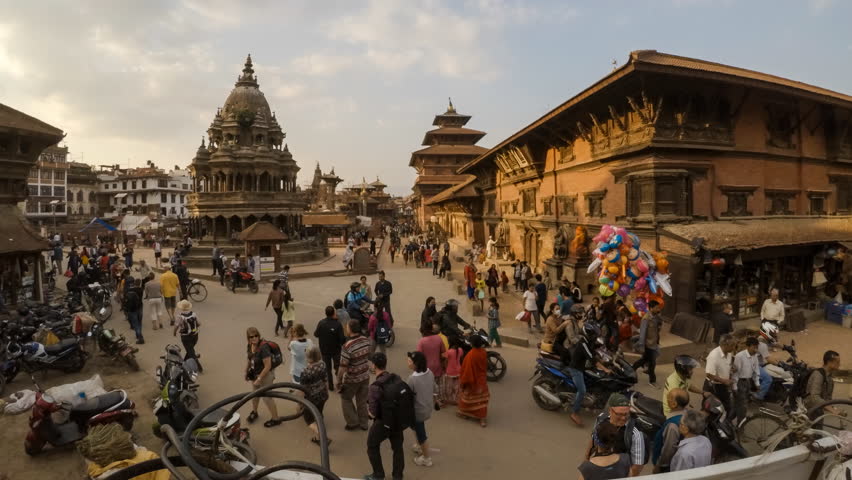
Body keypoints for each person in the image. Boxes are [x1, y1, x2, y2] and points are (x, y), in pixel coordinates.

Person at [365, 352, 406, 480]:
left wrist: (367, 413)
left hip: (383, 422)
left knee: (372, 445)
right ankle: (397, 476)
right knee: (398, 448)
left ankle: (378, 474)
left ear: (373, 365)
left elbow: (372, 413)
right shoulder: (396, 377)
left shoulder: (375, 387)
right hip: (397, 420)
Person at [586, 393, 647, 477]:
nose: (623, 418)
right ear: (610, 410)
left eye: (626, 414)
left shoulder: (635, 434)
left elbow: (637, 466)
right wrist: (586, 461)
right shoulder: (601, 419)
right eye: (619, 414)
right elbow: (593, 440)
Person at [566, 323, 609, 427]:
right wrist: (605, 369)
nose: (596, 337)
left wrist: (605, 358)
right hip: (576, 369)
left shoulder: (588, 342)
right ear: (588, 334)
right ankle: (574, 413)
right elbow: (592, 359)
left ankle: (589, 404)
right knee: (582, 390)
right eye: (594, 335)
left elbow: (594, 353)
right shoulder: (583, 344)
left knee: (593, 381)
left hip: (583, 367)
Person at [244, 327, 283, 428]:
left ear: (259, 335)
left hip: (265, 376)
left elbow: (268, 366)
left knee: (267, 398)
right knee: (254, 395)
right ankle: (255, 412)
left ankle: (276, 419)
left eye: (256, 335)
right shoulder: (250, 345)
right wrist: (246, 371)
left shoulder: (263, 348)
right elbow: (249, 358)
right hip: (255, 374)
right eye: (251, 337)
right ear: (248, 338)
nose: (254, 338)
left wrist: (259, 379)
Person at [337, 320, 372, 431]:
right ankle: (364, 423)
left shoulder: (347, 346)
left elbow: (342, 367)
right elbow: (368, 355)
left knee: (345, 399)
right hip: (365, 375)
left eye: (347, 327)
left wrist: (339, 380)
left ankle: (352, 422)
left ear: (350, 330)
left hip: (352, 379)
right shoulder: (366, 340)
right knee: (362, 401)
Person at [407, 351, 436, 467]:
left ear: (416, 364)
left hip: (417, 412)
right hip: (427, 407)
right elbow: (435, 388)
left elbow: (408, 398)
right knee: (415, 427)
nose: (407, 362)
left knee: (421, 434)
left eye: (410, 361)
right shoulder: (430, 373)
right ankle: (419, 446)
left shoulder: (412, 379)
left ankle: (426, 458)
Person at [653, 388, 690, 473]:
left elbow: (668, 450)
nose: (667, 399)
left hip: (667, 468)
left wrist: (659, 466)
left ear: (674, 404)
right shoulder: (686, 414)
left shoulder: (672, 425)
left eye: (669, 397)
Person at [299, 346, 331, 445]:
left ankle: (323, 437)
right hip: (322, 394)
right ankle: (319, 435)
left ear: (307, 356)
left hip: (311, 397)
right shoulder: (323, 364)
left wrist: (300, 401)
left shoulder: (305, 371)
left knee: (308, 420)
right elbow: (325, 379)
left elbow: (303, 388)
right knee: (319, 412)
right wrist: (327, 391)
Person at [457, 333, 489, 427]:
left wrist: (463, 382)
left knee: (467, 399)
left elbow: (466, 370)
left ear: (471, 344)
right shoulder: (483, 352)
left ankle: (465, 413)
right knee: (482, 401)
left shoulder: (470, 355)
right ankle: (482, 419)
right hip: (481, 380)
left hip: (472, 381)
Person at [314, 306, 346, 391]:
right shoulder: (338, 324)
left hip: (324, 350)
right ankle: (339, 384)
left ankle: (330, 387)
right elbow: (342, 339)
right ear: (333, 314)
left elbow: (316, 334)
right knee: (337, 368)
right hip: (336, 350)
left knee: (327, 369)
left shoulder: (321, 323)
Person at [632, 300, 663, 387]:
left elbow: (660, 323)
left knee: (644, 360)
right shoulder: (646, 319)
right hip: (648, 344)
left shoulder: (655, 317)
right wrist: (642, 346)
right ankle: (652, 381)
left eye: (658, 307)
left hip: (654, 343)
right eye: (656, 308)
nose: (658, 309)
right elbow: (642, 334)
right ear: (651, 308)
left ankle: (631, 369)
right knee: (652, 363)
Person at [703, 334, 736, 416]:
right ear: (725, 345)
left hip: (723, 387)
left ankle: (722, 426)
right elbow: (709, 374)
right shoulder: (714, 355)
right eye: (732, 345)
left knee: (727, 408)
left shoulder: (729, 354)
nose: (733, 348)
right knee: (711, 411)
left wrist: (731, 370)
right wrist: (724, 381)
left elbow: (726, 365)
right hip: (713, 387)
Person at [804, 350, 842, 417]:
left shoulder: (829, 378)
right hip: (808, 410)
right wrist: (832, 410)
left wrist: (836, 410)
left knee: (818, 427)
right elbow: (814, 397)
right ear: (829, 362)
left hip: (818, 410)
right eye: (837, 362)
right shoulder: (818, 374)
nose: (839, 364)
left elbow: (827, 399)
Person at [732, 336, 760, 423]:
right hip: (740, 383)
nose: (755, 349)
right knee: (743, 406)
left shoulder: (755, 356)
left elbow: (756, 370)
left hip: (748, 382)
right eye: (754, 347)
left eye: (756, 347)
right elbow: (735, 373)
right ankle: (740, 425)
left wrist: (757, 383)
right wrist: (735, 387)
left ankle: (730, 420)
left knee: (740, 404)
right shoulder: (739, 356)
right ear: (748, 346)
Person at [174, 299, 202, 371]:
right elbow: (199, 323)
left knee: (190, 351)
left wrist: (174, 332)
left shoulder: (179, 316)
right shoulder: (193, 314)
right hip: (195, 335)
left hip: (185, 337)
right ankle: (184, 362)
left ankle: (198, 366)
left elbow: (176, 326)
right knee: (190, 350)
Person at [441, 336, 463, 405]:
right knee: (456, 387)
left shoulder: (449, 352)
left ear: (450, 343)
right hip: (459, 371)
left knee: (449, 387)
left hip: (450, 372)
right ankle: (456, 400)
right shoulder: (460, 350)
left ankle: (449, 400)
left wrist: (444, 368)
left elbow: (444, 360)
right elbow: (461, 357)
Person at [123, 277, 144, 344]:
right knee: (139, 322)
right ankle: (139, 334)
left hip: (132, 309)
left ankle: (139, 336)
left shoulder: (129, 290)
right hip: (140, 307)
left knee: (135, 323)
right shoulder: (140, 290)